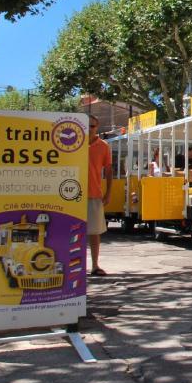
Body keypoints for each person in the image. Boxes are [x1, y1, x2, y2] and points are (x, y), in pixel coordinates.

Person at [87, 115, 113, 276]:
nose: (89, 128)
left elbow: (109, 171)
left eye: (92, 126)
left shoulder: (103, 146)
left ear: (97, 127)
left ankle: (95, 265)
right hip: (70, 195)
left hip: (94, 193)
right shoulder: (73, 142)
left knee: (94, 232)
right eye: (87, 125)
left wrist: (108, 193)